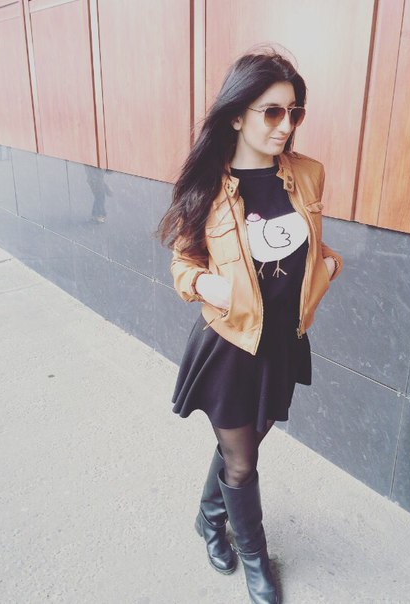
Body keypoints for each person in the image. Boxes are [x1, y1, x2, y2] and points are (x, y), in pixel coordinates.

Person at [156, 48, 343, 604]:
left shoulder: (306, 174)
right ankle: (253, 556)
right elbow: (183, 262)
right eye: (272, 112)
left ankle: (208, 516)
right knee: (242, 459)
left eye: (294, 112)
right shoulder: (207, 184)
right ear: (237, 115)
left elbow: (312, 245)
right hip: (232, 343)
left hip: (283, 340)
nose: (285, 125)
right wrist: (202, 284)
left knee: (247, 437)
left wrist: (330, 265)